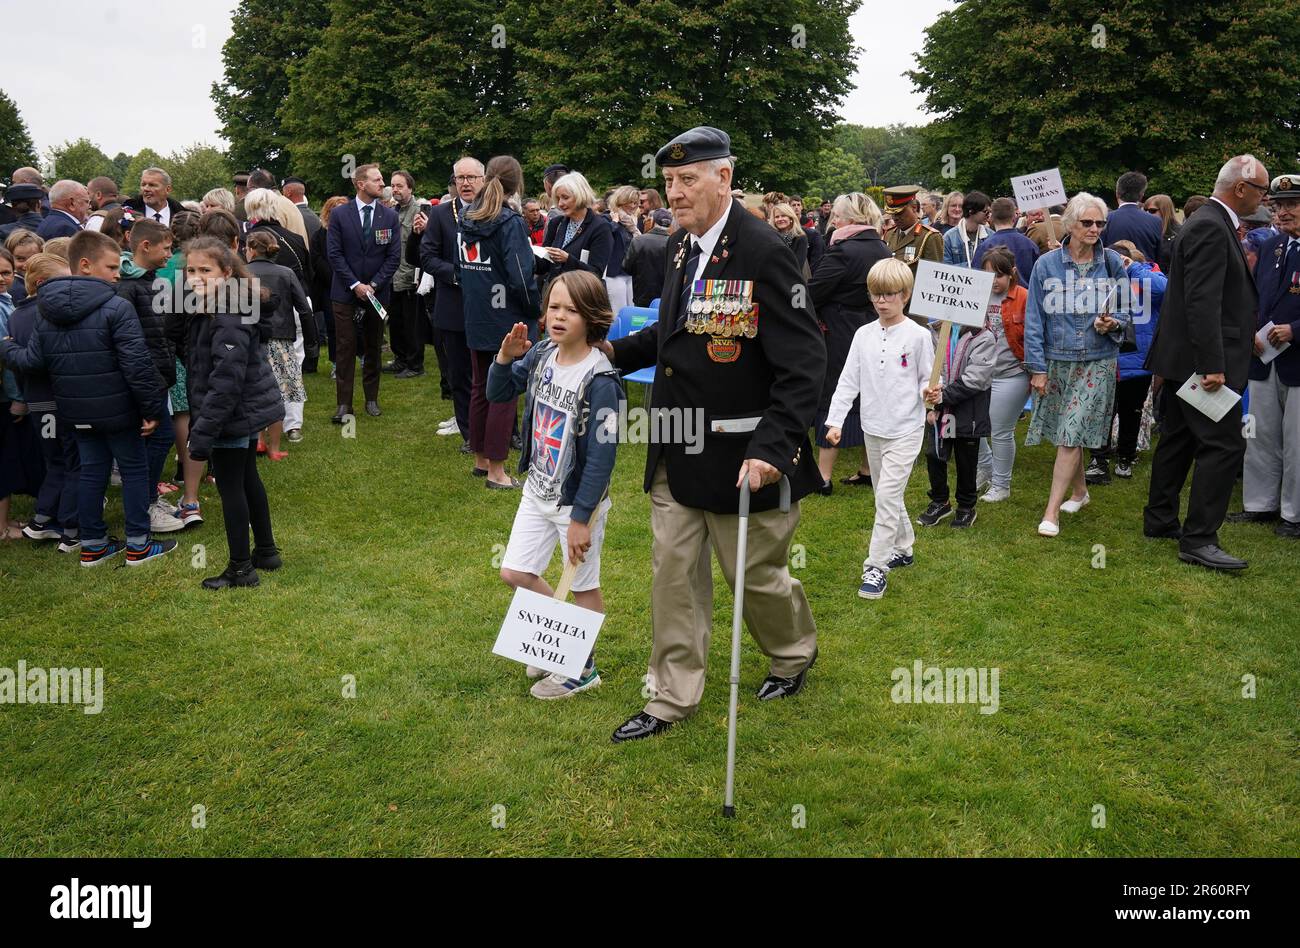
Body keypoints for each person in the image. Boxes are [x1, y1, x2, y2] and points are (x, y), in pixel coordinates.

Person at [601, 127, 824, 742]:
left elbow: (803, 363)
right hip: (677, 446)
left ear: (724, 177)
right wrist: (607, 353)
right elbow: (669, 335)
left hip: (743, 454)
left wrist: (774, 447)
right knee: (673, 577)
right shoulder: (679, 248)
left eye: (687, 179)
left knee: (754, 576)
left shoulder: (765, 252)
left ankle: (792, 652)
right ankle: (670, 696)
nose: (674, 192)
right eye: (668, 181)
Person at [1, 230, 175, 566]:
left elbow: (32, 361)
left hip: (74, 409)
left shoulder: (45, 310)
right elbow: (136, 365)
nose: (117, 273)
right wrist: (152, 408)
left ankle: (93, 544)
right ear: (85, 265)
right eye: (111, 267)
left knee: (92, 471)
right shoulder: (116, 306)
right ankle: (138, 544)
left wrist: (7, 346)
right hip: (118, 409)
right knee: (134, 470)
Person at [489, 271, 621, 698]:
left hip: (575, 503)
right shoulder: (544, 353)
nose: (559, 317)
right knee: (515, 571)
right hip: (537, 489)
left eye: (572, 310)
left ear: (593, 317)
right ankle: (560, 642)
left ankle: (582, 667)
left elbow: (602, 458)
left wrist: (582, 517)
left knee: (583, 586)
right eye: (554, 307)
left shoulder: (602, 382)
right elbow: (499, 393)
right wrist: (505, 358)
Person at [1144, 156, 1269, 569]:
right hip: (1201, 362)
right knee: (1224, 445)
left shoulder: (1208, 223)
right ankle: (1199, 539)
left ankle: (1160, 520)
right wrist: (1212, 363)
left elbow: (1211, 297)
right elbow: (1202, 301)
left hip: (1187, 357)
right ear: (1240, 188)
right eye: (1262, 190)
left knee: (1179, 438)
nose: (1265, 198)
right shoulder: (1212, 227)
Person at [1023, 191, 1132, 538]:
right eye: (1087, 222)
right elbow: (1034, 320)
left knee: (1070, 434)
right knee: (1068, 432)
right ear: (1070, 224)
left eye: (1100, 223)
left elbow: (1128, 313)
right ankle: (1081, 492)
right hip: (1058, 360)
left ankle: (1051, 512)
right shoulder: (1046, 265)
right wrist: (1037, 368)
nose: (1095, 229)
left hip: (1098, 362)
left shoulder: (1113, 262)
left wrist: (1111, 323)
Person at [825, 258, 934, 599]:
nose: (881, 301)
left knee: (886, 496)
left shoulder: (918, 336)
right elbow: (848, 381)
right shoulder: (863, 334)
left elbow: (926, 380)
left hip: (906, 428)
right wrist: (835, 419)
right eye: (875, 295)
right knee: (886, 494)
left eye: (889, 295)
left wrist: (931, 391)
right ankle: (904, 547)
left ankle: (876, 567)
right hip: (873, 426)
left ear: (905, 295)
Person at [182, 237, 284, 589]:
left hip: (232, 411)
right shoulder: (214, 304)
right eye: (190, 270)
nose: (196, 277)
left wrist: (205, 431)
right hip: (240, 408)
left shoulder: (227, 312)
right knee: (246, 478)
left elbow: (226, 379)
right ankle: (266, 551)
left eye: (205, 270)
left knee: (231, 486)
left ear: (226, 272)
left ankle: (241, 568)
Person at [459, 156, 540, 490]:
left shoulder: (466, 216)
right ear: (516, 184)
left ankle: (482, 461)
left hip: (477, 312)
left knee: (481, 388)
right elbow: (520, 276)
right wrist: (535, 307)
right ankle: (496, 471)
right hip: (506, 316)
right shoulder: (509, 222)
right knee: (503, 391)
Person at [1230, 173, 1300, 538]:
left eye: (1291, 205)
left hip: (1297, 361)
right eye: (1278, 205)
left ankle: (1294, 514)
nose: (1283, 212)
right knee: (1259, 435)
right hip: (1264, 358)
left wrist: (1295, 330)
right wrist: (1250, 333)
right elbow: (1255, 298)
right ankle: (1260, 504)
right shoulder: (1273, 246)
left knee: (1297, 440)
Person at [809, 192, 892, 493]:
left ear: (851, 219)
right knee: (868, 394)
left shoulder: (844, 251)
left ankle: (823, 477)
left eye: (838, 216)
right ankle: (868, 470)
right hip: (873, 325)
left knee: (834, 396)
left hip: (840, 330)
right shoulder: (882, 248)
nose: (833, 220)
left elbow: (814, 292)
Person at [114, 218, 186, 533]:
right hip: (146, 380)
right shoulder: (128, 289)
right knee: (159, 438)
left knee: (160, 438)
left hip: (158, 375)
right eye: (166, 248)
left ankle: (148, 499)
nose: (170, 255)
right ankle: (144, 505)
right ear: (146, 246)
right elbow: (131, 345)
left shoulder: (152, 281)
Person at [11, 253, 80, 549]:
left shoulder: (15, 315)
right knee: (72, 460)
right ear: (42, 284)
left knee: (55, 460)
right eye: (63, 281)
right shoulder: (45, 314)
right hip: (56, 398)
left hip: (38, 401)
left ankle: (44, 517)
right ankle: (69, 523)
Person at [1083, 240, 1165, 485]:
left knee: (1131, 412)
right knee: (1101, 410)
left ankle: (1126, 457)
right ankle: (1099, 458)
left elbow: (1165, 289)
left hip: (1136, 360)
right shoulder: (1099, 280)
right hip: (1106, 356)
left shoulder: (1145, 276)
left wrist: (1132, 268)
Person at [327, 163, 402, 422]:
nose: (383, 184)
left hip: (377, 294)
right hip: (345, 293)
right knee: (345, 347)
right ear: (361, 184)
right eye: (377, 180)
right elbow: (334, 254)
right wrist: (355, 284)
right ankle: (344, 404)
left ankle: (371, 398)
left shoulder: (389, 216)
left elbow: (393, 257)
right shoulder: (340, 215)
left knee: (373, 345)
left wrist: (374, 285)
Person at [916, 287, 995, 530]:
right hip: (943, 412)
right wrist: (933, 398)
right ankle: (940, 501)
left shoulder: (984, 337)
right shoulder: (942, 332)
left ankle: (966, 507)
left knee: (966, 460)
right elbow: (934, 367)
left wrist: (942, 396)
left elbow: (976, 379)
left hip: (968, 413)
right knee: (935, 454)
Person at [421, 160, 484, 446]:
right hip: (453, 302)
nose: (466, 183)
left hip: (489, 304)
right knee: (459, 373)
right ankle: (469, 432)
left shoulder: (497, 210)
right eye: (461, 178)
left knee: (494, 371)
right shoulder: (440, 213)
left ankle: (508, 431)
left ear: (483, 179)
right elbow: (428, 256)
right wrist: (456, 275)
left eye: (472, 177)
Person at [246, 229, 312, 457]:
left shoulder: (241, 273)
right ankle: (291, 429)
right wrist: (312, 342)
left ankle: (258, 439)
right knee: (285, 387)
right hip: (282, 338)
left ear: (251, 250)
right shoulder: (286, 273)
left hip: (252, 338)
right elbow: (304, 308)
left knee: (256, 387)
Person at [973, 246, 1030, 502]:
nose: (993, 281)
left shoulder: (1024, 298)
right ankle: (985, 467)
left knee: (1000, 429)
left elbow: (1035, 335)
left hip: (1013, 373)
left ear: (1011, 274)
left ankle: (1001, 485)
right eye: (988, 274)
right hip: (981, 372)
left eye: (998, 275)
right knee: (972, 424)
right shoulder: (976, 295)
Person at [535, 172, 613, 290]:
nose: (560, 203)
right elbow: (544, 266)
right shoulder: (556, 223)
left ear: (580, 195)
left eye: (565, 197)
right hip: (556, 292)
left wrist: (568, 259)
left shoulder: (600, 227)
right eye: (558, 198)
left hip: (582, 297)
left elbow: (596, 274)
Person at [384, 170, 426, 378]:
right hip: (393, 276)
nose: (395, 189)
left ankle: (415, 364)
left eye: (400, 186)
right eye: (393, 185)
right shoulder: (392, 211)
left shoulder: (419, 211)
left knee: (413, 324)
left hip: (411, 277)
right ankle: (400, 359)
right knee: (396, 322)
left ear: (410, 187)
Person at [882, 185, 942, 320]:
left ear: (914, 208)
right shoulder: (889, 234)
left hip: (913, 314)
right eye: (892, 213)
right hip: (887, 310)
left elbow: (932, 282)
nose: (895, 217)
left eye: (900, 212)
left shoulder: (929, 237)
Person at [311, 196, 349, 373]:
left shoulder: (353, 232)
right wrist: (335, 276)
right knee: (333, 327)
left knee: (359, 325)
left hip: (353, 284)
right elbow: (317, 259)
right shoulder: (320, 235)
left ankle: (363, 356)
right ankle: (336, 363)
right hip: (330, 286)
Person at [1103, 171, 1164, 268]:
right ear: (1141, 195)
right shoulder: (1155, 222)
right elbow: (1160, 257)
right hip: (1145, 278)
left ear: (1117, 193)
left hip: (1113, 276)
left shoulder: (1106, 219)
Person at [972, 197, 1040, 282]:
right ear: (1014, 217)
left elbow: (976, 279)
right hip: (1026, 294)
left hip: (996, 294)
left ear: (992, 218)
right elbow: (1039, 276)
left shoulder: (985, 247)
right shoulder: (1030, 244)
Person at [622, 208, 672, 308]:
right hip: (665, 297)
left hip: (641, 295)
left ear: (653, 221)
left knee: (640, 321)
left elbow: (626, 267)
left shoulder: (639, 241)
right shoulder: (675, 242)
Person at [601, 185, 639, 313]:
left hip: (629, 271)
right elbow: (604, 239)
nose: (634, 206)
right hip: (614, 272)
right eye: (631, 202)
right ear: (621, 201)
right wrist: (615, 223)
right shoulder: (608, 217)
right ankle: (618, 333)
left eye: (636, 203)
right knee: (618, 311)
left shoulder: (632, 222)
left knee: (631, 310)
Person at [941, 190, 991, 267]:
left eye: (989, 212)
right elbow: (945, 268)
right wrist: (974, 265)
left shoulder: (991, 235)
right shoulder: (949, 237)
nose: (988, 215)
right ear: (971, 211)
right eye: (985, 211)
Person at [769, 202, 810, 276]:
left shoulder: (800, 237)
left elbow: (798, 265)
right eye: (777, 217)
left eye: (783, 216)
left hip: (793, 279)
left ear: (790, 218)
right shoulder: (771, 237)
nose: (780, 219)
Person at [281, 178, 321, 242]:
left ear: (289, 192)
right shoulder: (315, 216)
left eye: (283, 193)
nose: (282, 196)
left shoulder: (290, 217)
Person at [1143, 193, 1180, 258]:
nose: (1147, 214)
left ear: (1165, 211)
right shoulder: (1146, 229)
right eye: (1145, 210)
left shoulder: (1178, 233)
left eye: (1152, 211)